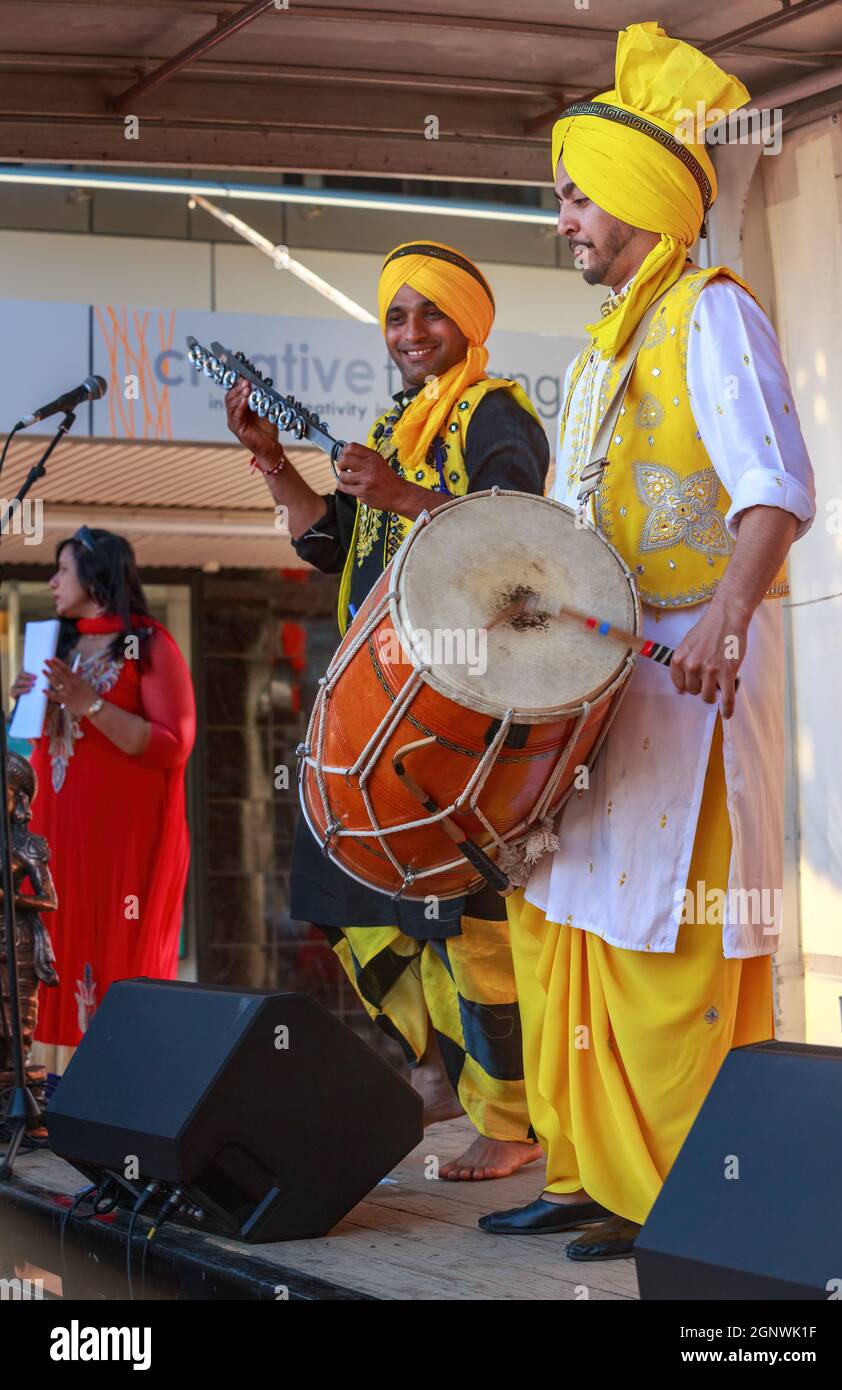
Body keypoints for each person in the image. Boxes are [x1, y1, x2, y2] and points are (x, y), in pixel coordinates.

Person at [480, 21, 816, 1255]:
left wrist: (726, 615)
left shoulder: (710, 316)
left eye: (574, 197)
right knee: (562, 910)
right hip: (601, 680)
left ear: (632, 199)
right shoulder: (594, 352)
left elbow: (773, 485)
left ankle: (676, 1186)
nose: (561, 218)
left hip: (689, 673)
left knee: (665, 928)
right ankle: (585, 1168)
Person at [225, 240, 550, 1180]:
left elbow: (520, 540)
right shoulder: (398, 419)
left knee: (469, 920)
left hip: (465, 703)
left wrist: (407, 494)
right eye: (397, 317)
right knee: (342, 883)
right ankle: (442, 1064)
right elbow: (336, 545)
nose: (411, 333)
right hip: (383, 701)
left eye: (429, 314)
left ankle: (512, 1122)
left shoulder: (496, 413)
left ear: (468, 324)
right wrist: (276, 465)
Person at [12, 527, 196, 1071]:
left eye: (62, 569)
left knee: (121, 937)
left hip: (124, 832)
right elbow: (48, 744)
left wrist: (91, 704)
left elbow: (173, 744)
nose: (52, 581)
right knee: (54, 937)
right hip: (57, 824)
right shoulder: (57, 645)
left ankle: (120, 1076)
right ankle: (49, 1078)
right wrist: (31, 705)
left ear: (95, 576)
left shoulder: (147, 642)